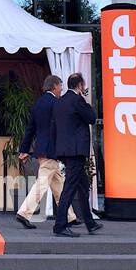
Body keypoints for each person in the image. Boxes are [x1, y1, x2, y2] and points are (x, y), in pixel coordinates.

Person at [15, 75, 77, 230]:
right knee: (42, 183)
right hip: (52, 150)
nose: (61, 89)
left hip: (42, 148)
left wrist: (24, 149)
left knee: (59, 184)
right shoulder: (56, 104)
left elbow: (30, 129)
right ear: (54, 86)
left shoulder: (39, 103)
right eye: (60, 86)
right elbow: (61, 128)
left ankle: (69, 216)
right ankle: (24, 213)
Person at [51, 74, 102, 238]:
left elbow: (55, 127)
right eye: (83, 85)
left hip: (65, 150)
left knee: (82, 187)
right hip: (76, 151)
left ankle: (90, 223)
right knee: (70, 188)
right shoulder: (78, 100)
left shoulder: (60, 102)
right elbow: (91, 118)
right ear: (80, 85)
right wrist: (84, 99)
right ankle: (60, 225)